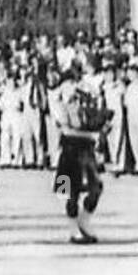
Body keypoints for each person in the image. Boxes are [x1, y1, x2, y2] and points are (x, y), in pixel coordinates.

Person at [48, 61, 107, 244]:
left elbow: (94, 117)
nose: (74, 86)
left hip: (86, 149)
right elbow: (65, 127)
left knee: (96, 187)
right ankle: (73, 228)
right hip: (70, 150)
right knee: (68, 191)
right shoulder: (58, 103)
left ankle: (84, 221)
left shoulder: (85, 99)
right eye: (70, 82)